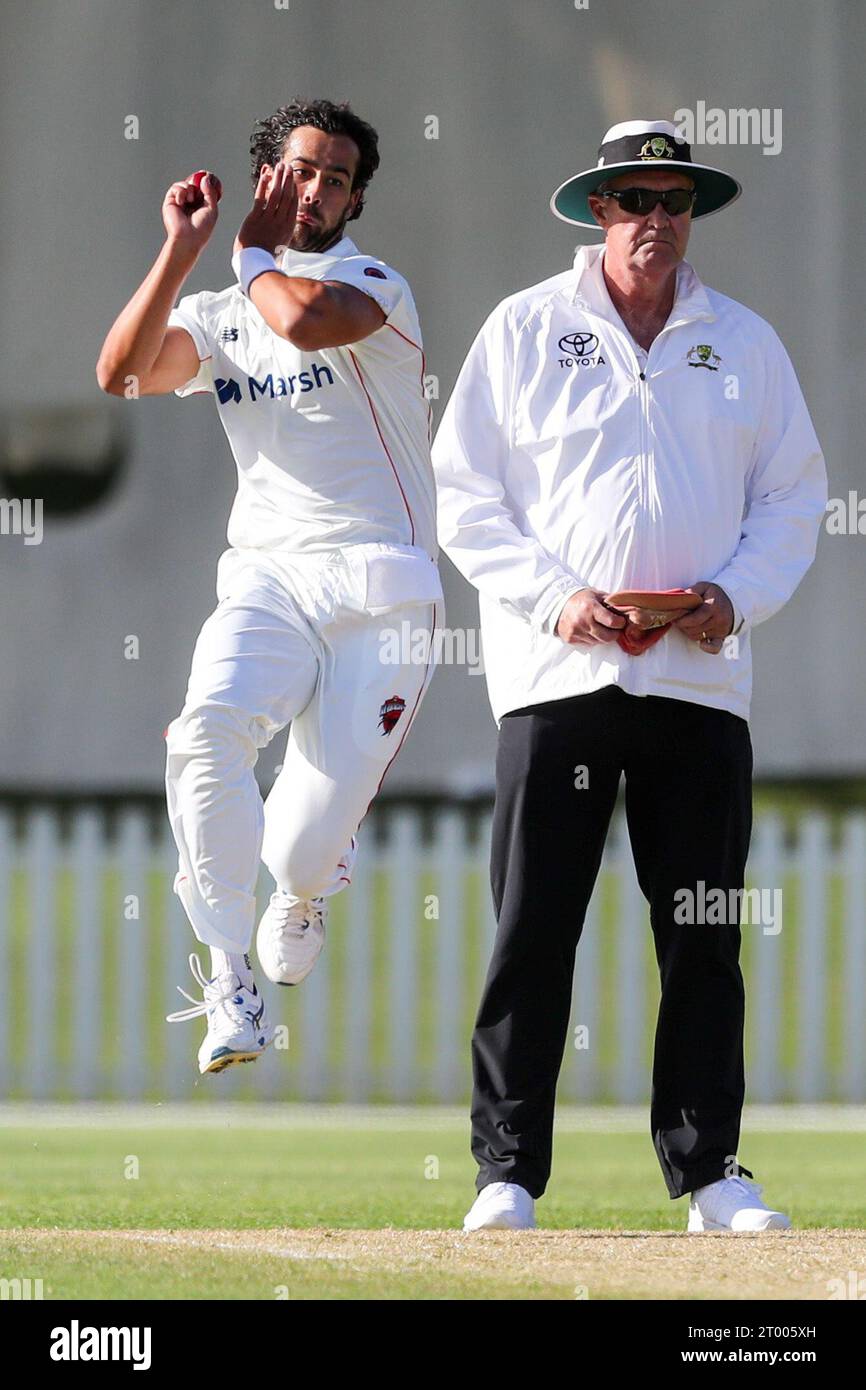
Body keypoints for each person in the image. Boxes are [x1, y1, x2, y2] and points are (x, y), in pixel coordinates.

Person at [432, 119, 827, 1233]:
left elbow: (793, 497)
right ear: (596, 211)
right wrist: (556, 595)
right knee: (532, 928)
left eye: (673, 199)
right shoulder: (523, 329)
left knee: (699, 932)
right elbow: (465, 495)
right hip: (557, 673)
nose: (654, 218)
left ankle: (709, 1175)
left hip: (698, 684)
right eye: (633, 198)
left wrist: (729, 598)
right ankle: (504, 1173)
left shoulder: (740, 339)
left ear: (688, 213)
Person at [97, 99, 442, 1075]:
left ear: (355, 196)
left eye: (335, 177)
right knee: (204, 729)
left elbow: (298, 321)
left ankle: (307, 886)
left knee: (295, 850)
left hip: (383, 588)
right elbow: (119, 374)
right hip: (268, 577)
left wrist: (248, 255)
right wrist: (183, 249)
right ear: (267, 177)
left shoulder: (371, 284)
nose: (316, 190)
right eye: (300, 170)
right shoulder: (222, 310)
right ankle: (226, 977)